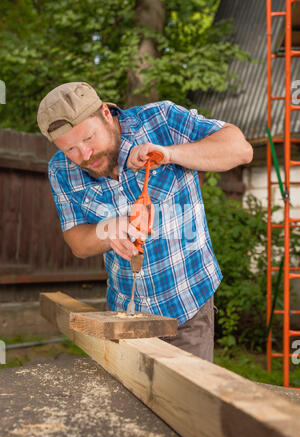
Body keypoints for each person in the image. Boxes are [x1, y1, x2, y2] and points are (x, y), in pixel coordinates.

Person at [37, 82, 253, 362]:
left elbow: (241, 149)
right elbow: (77, 241)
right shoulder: (61, 170)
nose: (84, 155)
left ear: (105, 113)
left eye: (88, 139)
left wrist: (169, 154)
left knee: (187, 402)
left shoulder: (160, 120)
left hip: (187, 306)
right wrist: (110, 229)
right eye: (71, 150)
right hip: (125, 314)